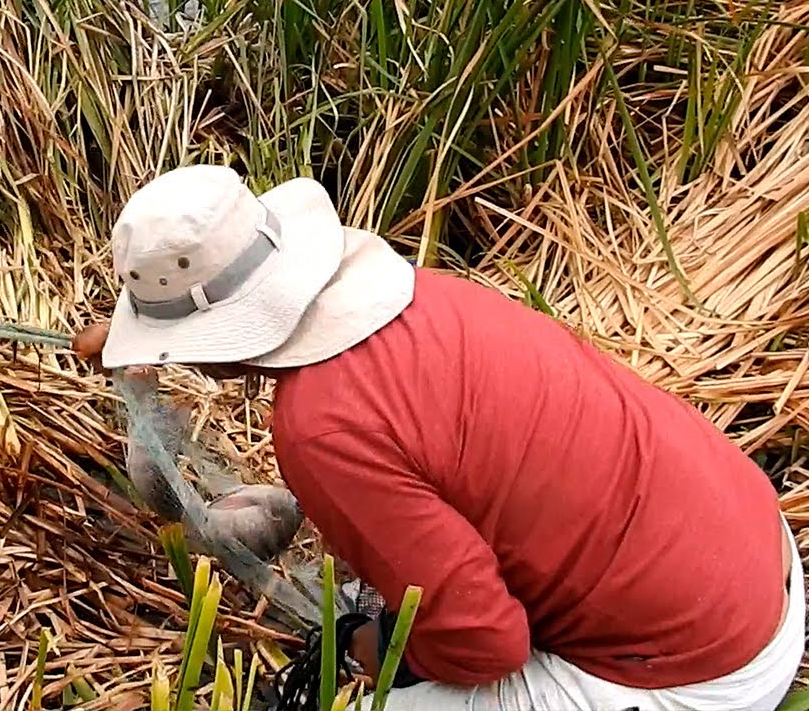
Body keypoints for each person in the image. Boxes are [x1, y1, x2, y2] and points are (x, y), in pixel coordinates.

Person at [71, 164, 805, 711]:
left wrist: (367, 649)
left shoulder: (322, 428)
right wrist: (138, 344)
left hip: (701, 672)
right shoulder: (412, 293)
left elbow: (486, 645)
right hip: (753, 556)